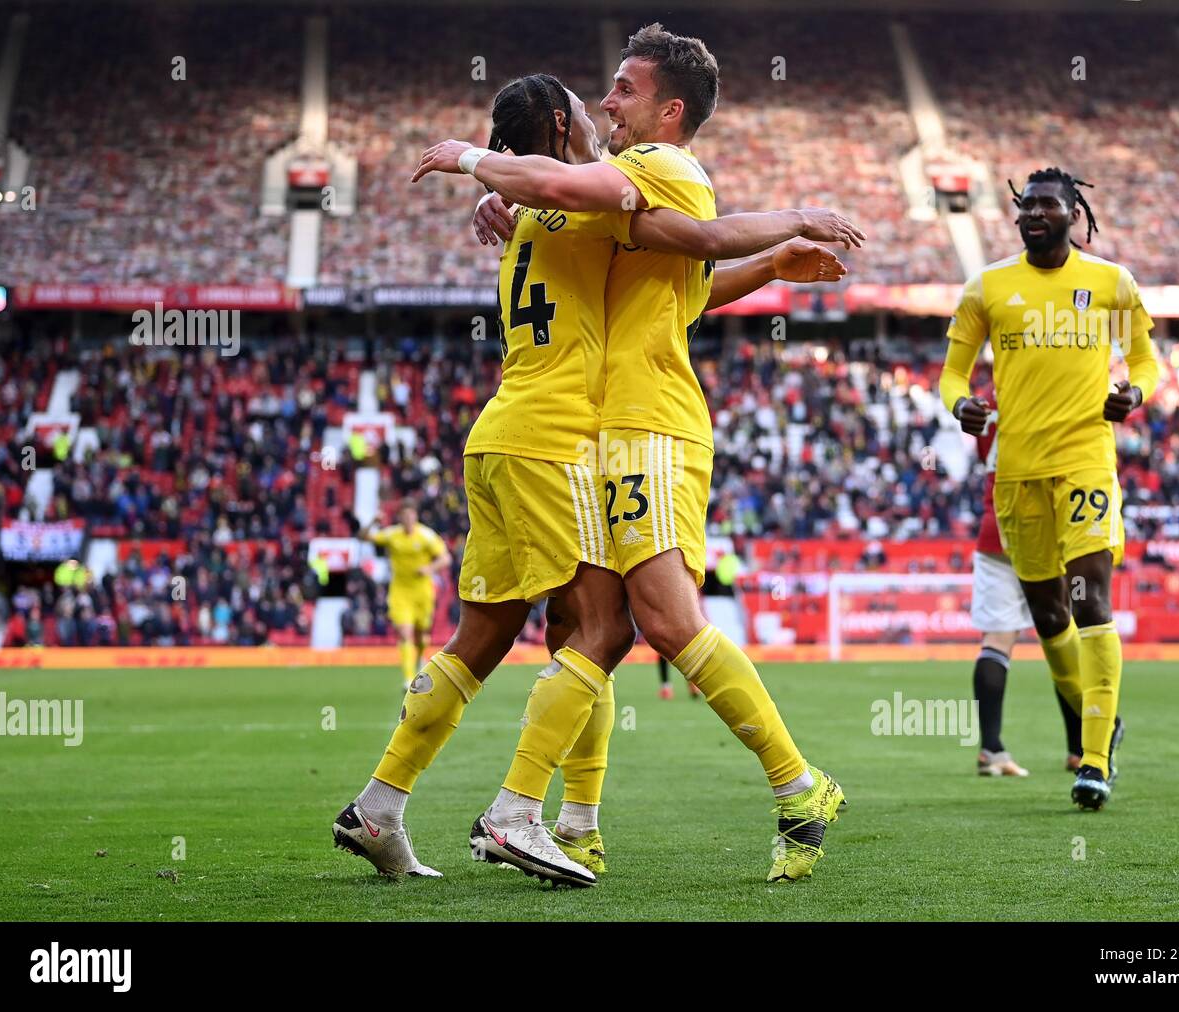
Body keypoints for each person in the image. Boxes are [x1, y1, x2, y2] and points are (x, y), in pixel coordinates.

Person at [336, 68, 855, 885]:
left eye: (617, 92)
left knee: (504, 636)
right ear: (557, 121)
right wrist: (481, 165)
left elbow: (677, 270)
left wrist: (774, 258)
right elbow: (690, 246)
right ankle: (523, 816)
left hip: (514, 434)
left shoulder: (571, 205)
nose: (602, 106)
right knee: (607, 629)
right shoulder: (584, 197)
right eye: (588, 102)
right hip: (561, 435)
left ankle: (397, 808)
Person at [941, 167, 1157, 809]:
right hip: (1018, 473)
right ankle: (1098, 717)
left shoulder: (1111, 282)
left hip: (1086, 461)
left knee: (1090, 600)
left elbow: (1146, 359)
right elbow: (952, 375)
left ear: (1073, 213)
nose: (1034, 212)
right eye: (1026, 204)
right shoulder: (987, 287)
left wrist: (1136, 392)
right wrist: (962, 407)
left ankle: (1094, 759)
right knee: (1049, 616)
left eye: (1047, 204)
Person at [967, 390, 1083, 777]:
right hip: (1041, 526)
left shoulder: (986, 402)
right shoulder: (1053, 388)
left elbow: (984, 450)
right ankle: (1080, 749)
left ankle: (992, 749)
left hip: (994, 525)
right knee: (1060, 635)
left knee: (996, 641)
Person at [361, 501, 450, 688]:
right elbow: (362, 537)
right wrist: (372, 521)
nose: (408, 519)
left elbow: (445, 558)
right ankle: (409, 679)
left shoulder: (426, 535)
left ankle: (419, 660)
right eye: (405, 516)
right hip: (400, 592)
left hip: (423, 592)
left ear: (415, 517)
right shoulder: (392, 534)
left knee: (421, 636)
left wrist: (430, 568)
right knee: (405, 633)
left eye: (411, 515)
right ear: (400, 517)